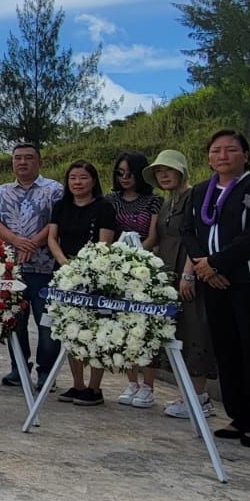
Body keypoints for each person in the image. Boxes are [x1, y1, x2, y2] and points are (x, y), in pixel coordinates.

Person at [181, 129, 250, 449]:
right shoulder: (200, 191)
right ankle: (238, 415)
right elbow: (188, 230)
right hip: (213, 281)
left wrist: (218, 263)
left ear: (246, 155)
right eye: (216, 151)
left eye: (230, 150)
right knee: (227, 350)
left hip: (246, 280)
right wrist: (203, 265)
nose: (222, 156)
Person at [0, 143, 65, 388]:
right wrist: (16, 241)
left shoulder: (54, 189)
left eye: (28, 158)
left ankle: (46, 373)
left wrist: (31, 244)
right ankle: (18, 369)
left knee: (46, 323)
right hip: (11, 269)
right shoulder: (3, 190)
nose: (22, 162)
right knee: (15, 322)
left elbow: (57, 222)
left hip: (45, 268)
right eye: (17, 158)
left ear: (39, 162)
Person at [147, 150, 217, 420]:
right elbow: (155, 238)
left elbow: (197, 236)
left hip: (188, 272)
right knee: (176, 333)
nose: (163, 175)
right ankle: (187, 394)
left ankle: (200, 397)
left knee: (195, 331)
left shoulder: (194, 197)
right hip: (167, 272)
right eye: (159, 172)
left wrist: (189, 272)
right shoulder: (166, 203)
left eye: (168, 170)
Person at [47, 161, 118, 406]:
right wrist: (65, 263)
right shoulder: (60, 206)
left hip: (95, 275)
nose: (78, 182)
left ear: (93, 181)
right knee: (70, 329)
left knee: (96, 331)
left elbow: (104, 244)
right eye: (73, 178)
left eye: (83, 178)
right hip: (64, 274)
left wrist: (84, 268)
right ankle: (77, 384)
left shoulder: (104, 207)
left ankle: (94, 388)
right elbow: (52, 238)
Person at [107, 152, 164, 408]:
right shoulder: (111, 200)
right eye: (120, 172)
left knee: (145, 327)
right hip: (116, 268)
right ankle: (131, 381)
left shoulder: (153, 201)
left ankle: (149, 385)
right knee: (123, 326)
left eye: (130, 172)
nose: (125, 177)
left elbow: (154, 235)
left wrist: (137, 254)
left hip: (144, 265)